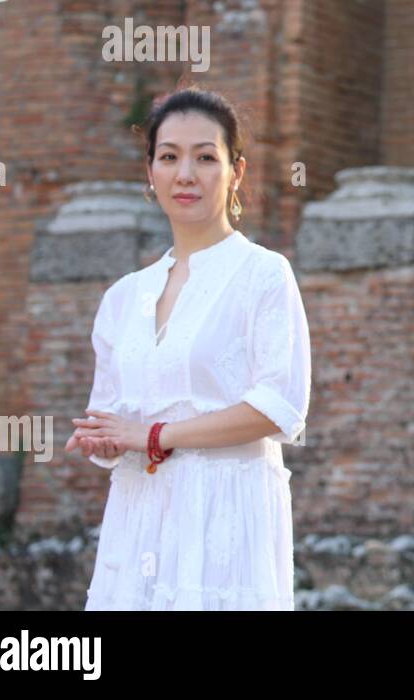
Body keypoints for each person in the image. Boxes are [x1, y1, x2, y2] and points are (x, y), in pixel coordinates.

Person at [66, 86, 312, 610]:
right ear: (149, 172)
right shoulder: (122, 297)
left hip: (225, 522)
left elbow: (279, 406)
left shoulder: (263, 275)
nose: (185, 174)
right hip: (137, 526)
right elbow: (113, 415)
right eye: (169, 157)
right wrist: (106, 442)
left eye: (206, 157)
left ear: (236, 172)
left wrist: (155, 434)